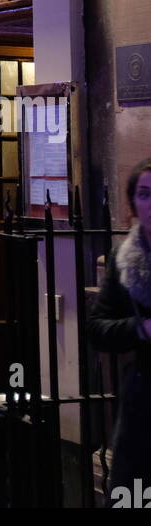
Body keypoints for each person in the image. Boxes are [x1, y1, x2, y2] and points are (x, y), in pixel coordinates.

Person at [89, 156, 151, 503]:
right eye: (144, 195)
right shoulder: (124, 259)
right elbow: (97, 327)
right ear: (133, 205)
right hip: (143, 402)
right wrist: (140, 329)